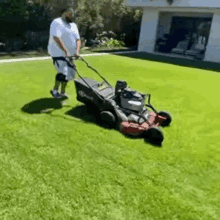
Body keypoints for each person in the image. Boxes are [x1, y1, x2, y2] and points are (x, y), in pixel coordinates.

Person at [47, 6, 81, 99]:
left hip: (71, 55)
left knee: (69, 74)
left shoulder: (73, 25)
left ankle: (62, 92)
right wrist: (66, 51)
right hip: (58, 53)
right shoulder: (57, 22)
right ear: (64, 12)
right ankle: (54, 91)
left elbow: (78, 39)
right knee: (63, 72)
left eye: (72, 13)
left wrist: (77, 51)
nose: (71, 15)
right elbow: (56, 37)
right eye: (69, 13)